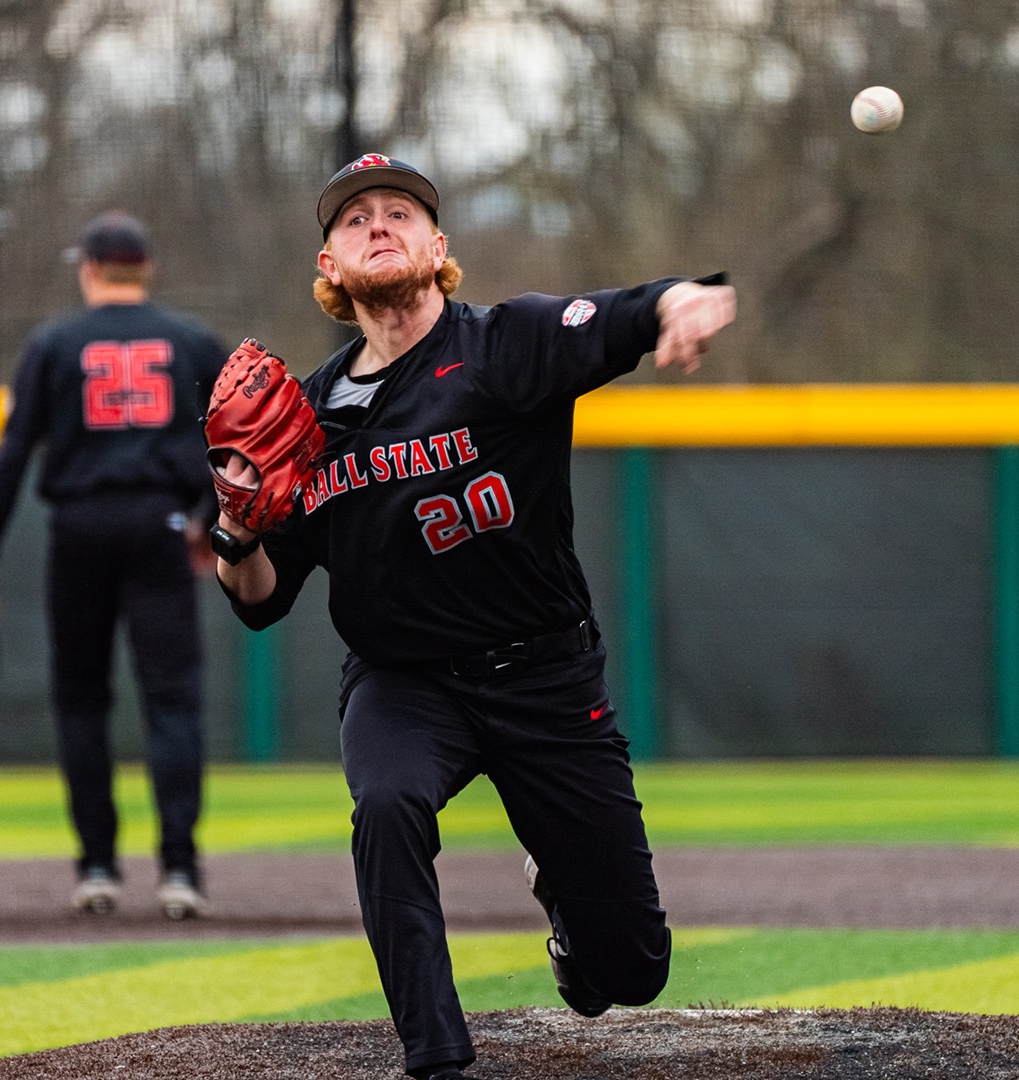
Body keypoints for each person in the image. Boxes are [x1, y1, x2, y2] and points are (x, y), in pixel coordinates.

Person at [209, 155, 735, 1080]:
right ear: (328, 265)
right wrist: (235, 530)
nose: (379, 224)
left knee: (631, 972)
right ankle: (436, 1057)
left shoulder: (503, 345)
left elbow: (616, 316)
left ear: (437, 247)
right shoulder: (308, 418)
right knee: (387, 801)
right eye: (355, 218)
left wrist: (679, 302)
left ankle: (571, 915)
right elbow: (260, 604)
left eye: (400, 212)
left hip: (544, 673)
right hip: (404, 682)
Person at [0, 211, 227, 920]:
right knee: (172, 701)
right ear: (146, 269)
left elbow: (14, 451)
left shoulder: (53, 343)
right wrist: (210, 518)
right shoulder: (191, 341)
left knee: (82, 700)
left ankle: (99, 867)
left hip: (78, 529)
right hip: (161, 527)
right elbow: (242, 439)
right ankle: (179, 869)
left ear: (88, 269)